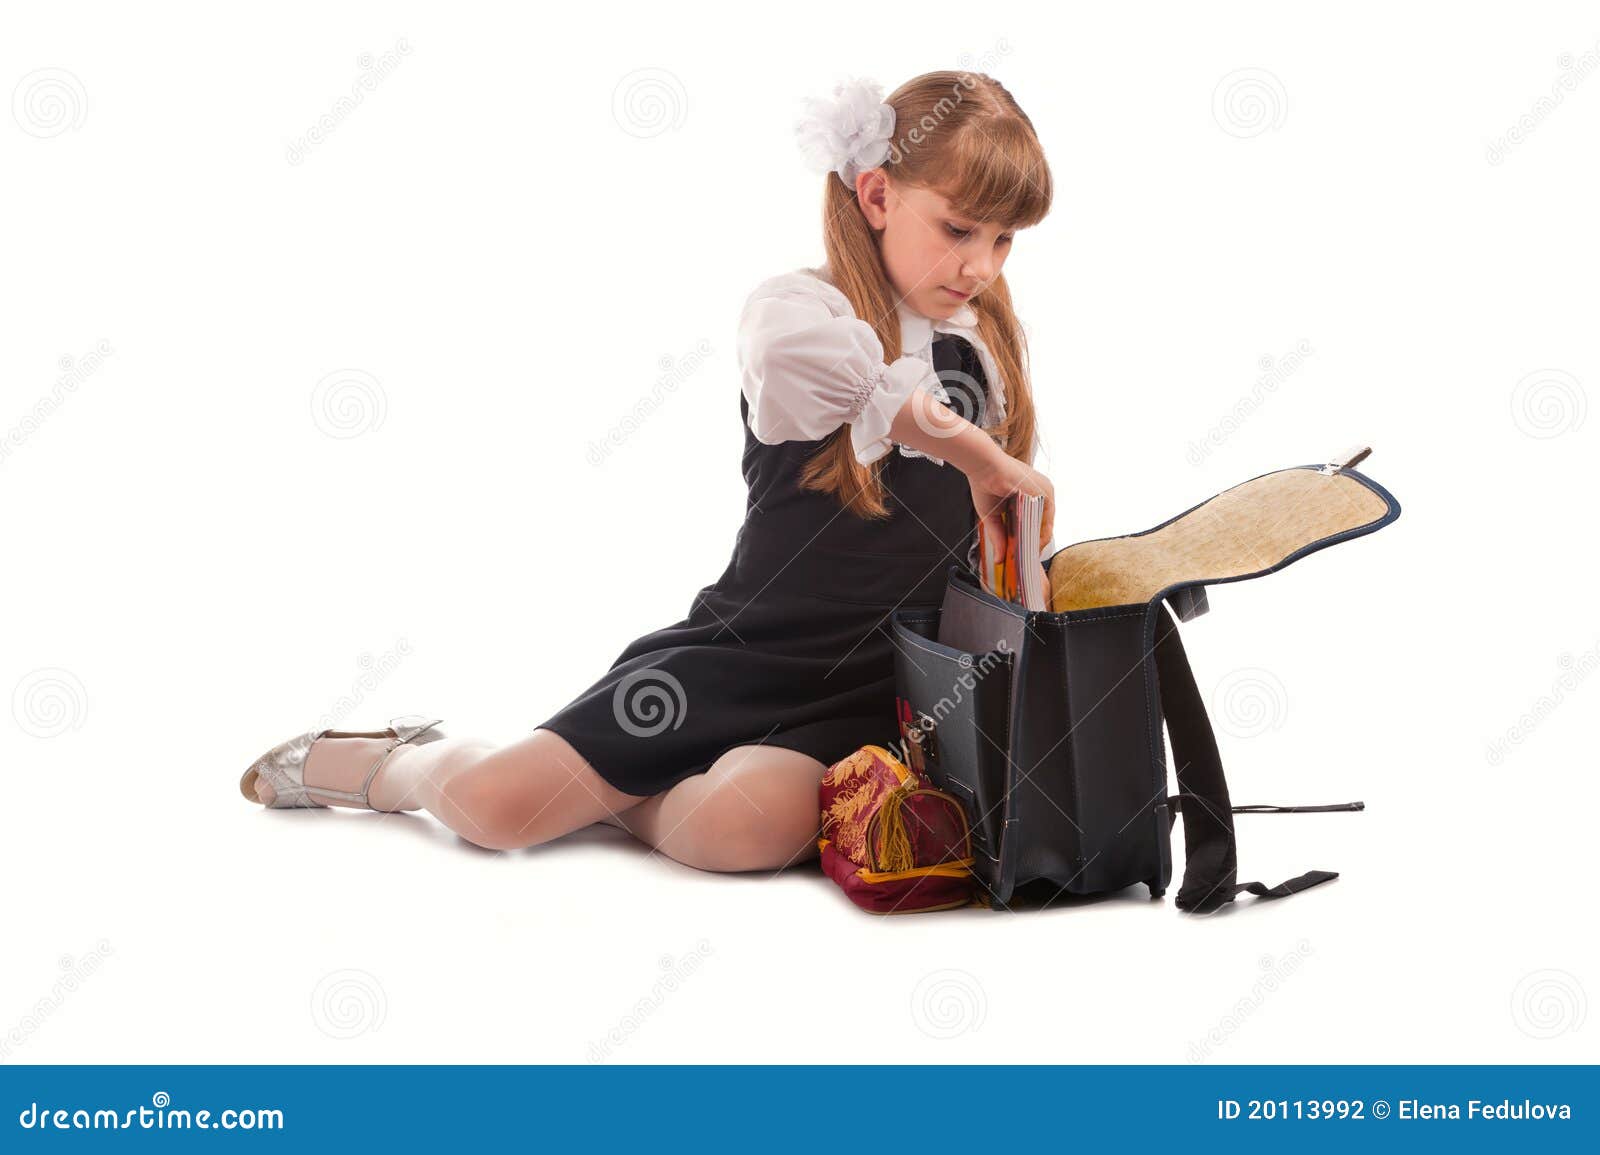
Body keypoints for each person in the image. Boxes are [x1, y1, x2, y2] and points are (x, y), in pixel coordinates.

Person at [239, 70, 1056, 877]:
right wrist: (975, 450)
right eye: (959, 229)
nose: (981, 264)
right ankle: (397, 762)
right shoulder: (804, 314)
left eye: (1003, 239)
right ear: (876, 195)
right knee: (499, 809)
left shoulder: (985, 344)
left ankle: (622, 797)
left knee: (742, 826)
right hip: (749, 650)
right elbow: (798, 365)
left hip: (892, 688)